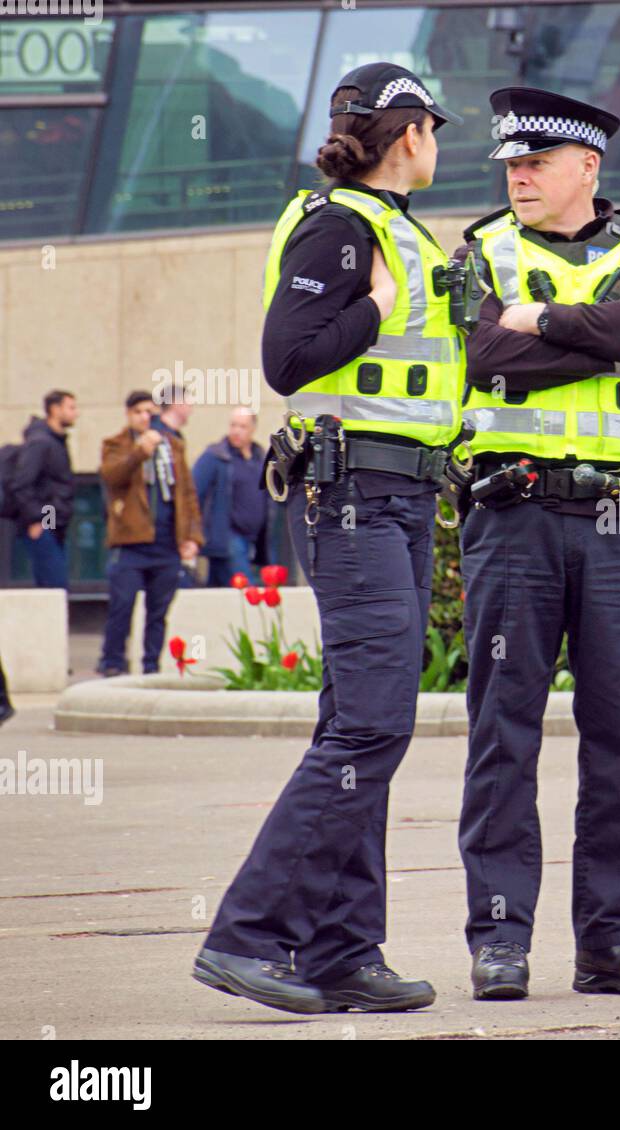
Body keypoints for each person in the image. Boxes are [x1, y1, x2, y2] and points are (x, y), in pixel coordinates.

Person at [193, 63, 470, 1015]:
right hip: (356, 497)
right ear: (410, 137)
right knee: (371, 724)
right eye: (435, 128)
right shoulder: (340, 227)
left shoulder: (393, 228)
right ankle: (249, 936)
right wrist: (378, 307)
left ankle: (343, 949)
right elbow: (288, 357)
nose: (440, 143)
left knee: (358, 724)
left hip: (398, 495)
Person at [453, 87, 620, 1001]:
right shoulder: (481, 254)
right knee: (501, 734)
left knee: (618, 738)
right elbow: (480, 356)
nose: (517, 174)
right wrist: (607, 337)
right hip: (513, 515)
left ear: (586, 168)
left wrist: (547, 321)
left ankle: (615, 939)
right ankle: (501, 941)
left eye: (536, 162)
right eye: (512, 163)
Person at [98, 388, 202, 677]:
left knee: (158, 612)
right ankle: (112, 663)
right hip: (130, 542)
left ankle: (151, 666)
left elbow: (187, 494)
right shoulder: (116, 444)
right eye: (139, 412)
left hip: (167, 543)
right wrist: (138, 452)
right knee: (122, 607)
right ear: (128, 415)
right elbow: (111, 476)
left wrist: (192, 536)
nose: (145, 418)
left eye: (150, 413)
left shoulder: (172, 445)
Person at [193, 407, 271, 587]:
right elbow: (194, 494)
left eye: (243, 426)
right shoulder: (215, 456)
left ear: (253, 428)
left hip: (254, 538)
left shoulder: (260, 457)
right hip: (227, 535)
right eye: (233, 425)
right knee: (246, 588)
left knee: (218, 588)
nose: (236, 431)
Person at [13, 390, 78, 588]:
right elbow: (22, 484)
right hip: (45, 519)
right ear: (55, 409)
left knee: (54, 585)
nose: (76, 413)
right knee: (54, 585)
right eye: (71, 408)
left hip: (55, 520)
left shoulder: (55, 441)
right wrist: (37, 520)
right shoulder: (40, 442)